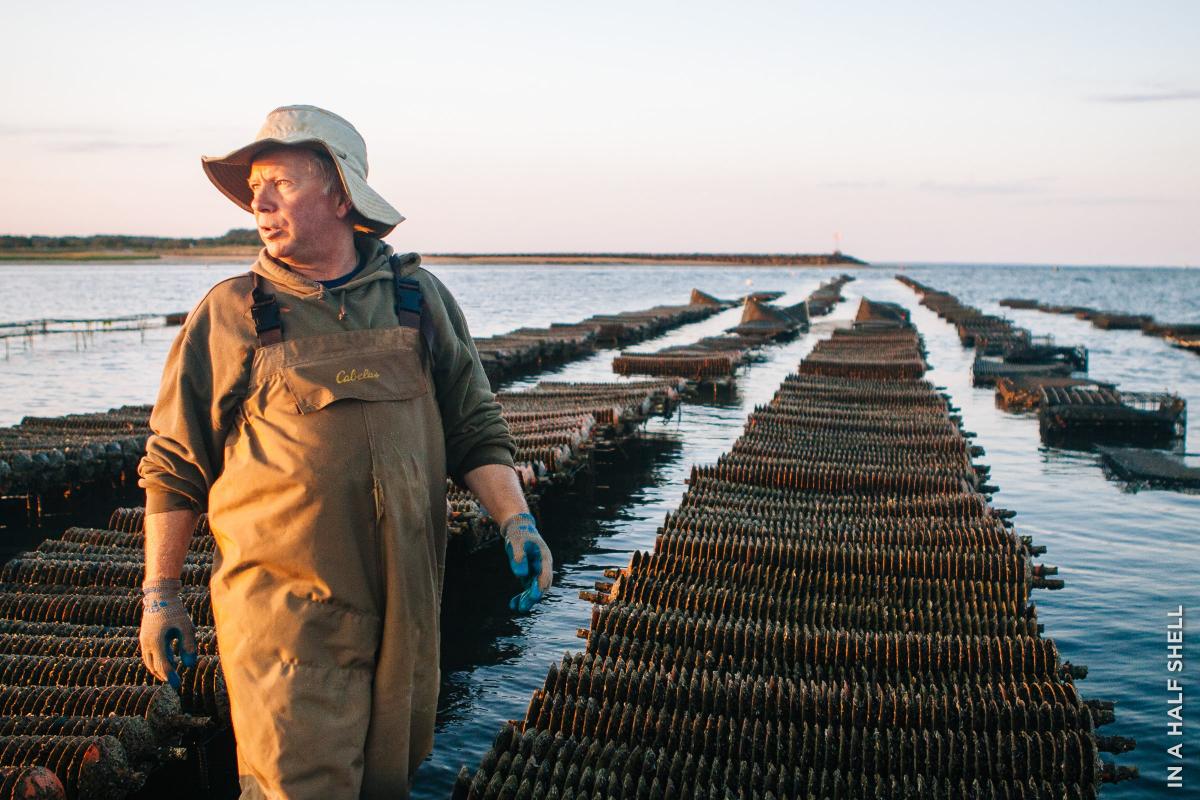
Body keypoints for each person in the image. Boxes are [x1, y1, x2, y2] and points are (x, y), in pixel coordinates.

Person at [137, 104, 553, 799]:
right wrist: (161, 595)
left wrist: (517, 519)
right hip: (285, 621)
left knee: (387, 783)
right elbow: (175, 466)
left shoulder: (417, 298)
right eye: (255, 186)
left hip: (407, 610)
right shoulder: (232, 312)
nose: (260, 202)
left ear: (340, 193)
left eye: (281, 183)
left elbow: (475, 427)